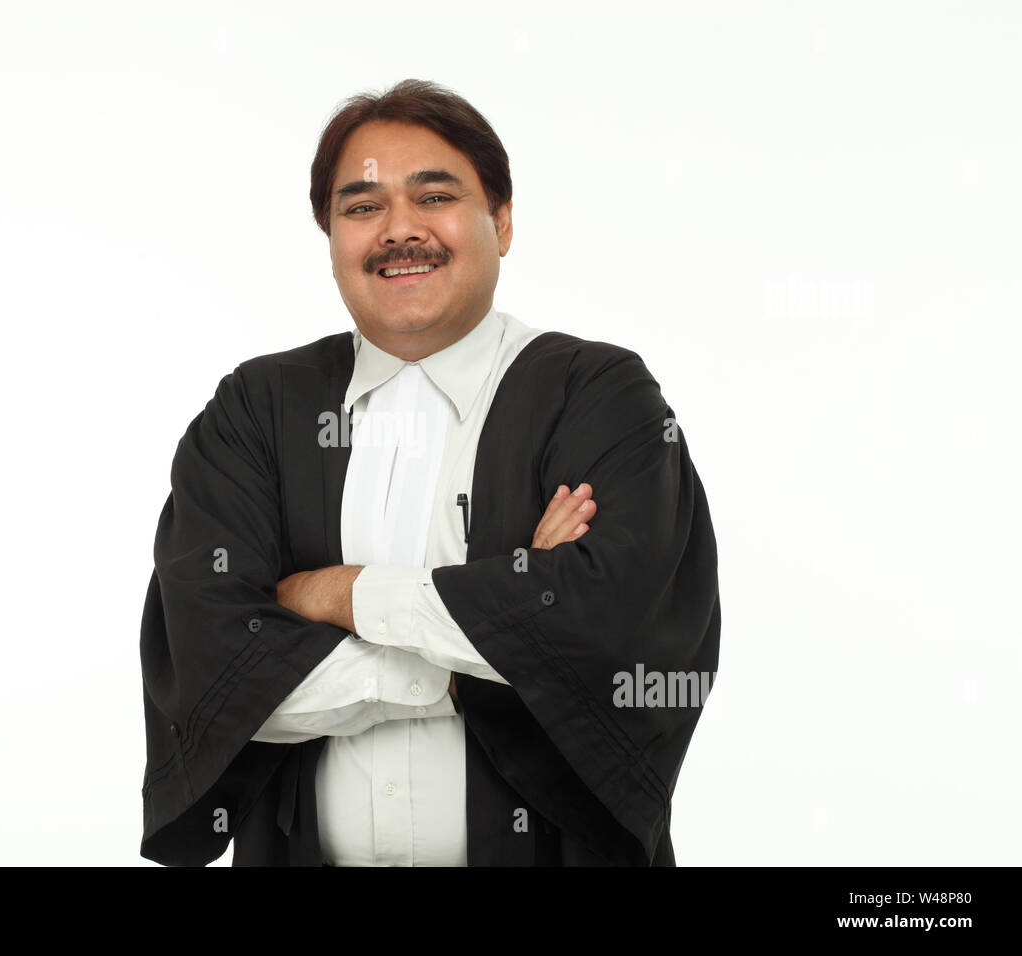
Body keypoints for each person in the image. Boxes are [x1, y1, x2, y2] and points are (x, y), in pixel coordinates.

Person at [139, 78, 720, 866]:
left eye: (435, 195)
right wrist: (487, 654)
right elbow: (217, 673)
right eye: (362, 206)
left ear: (502, 221)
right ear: (331, 233)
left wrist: (334, 594)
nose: (399, 231)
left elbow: (612, 638)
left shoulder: (597, 395)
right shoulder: (256, 411)